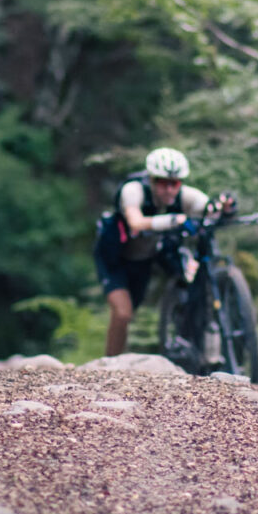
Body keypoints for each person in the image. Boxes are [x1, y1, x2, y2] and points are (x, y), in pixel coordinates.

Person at [95, 147, 234, 359]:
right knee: (123, 313)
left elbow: (208, 209)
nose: (169, 189)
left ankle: (191, 336)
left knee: (185, 272)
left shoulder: (185, 196)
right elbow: (136, 222)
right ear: (151, 179)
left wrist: (224, 206)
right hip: (115, 259)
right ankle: (109, 362)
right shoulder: (133, 191)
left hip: (145, 261)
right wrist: (174, 220)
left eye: (175, 183)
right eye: (162, 183)